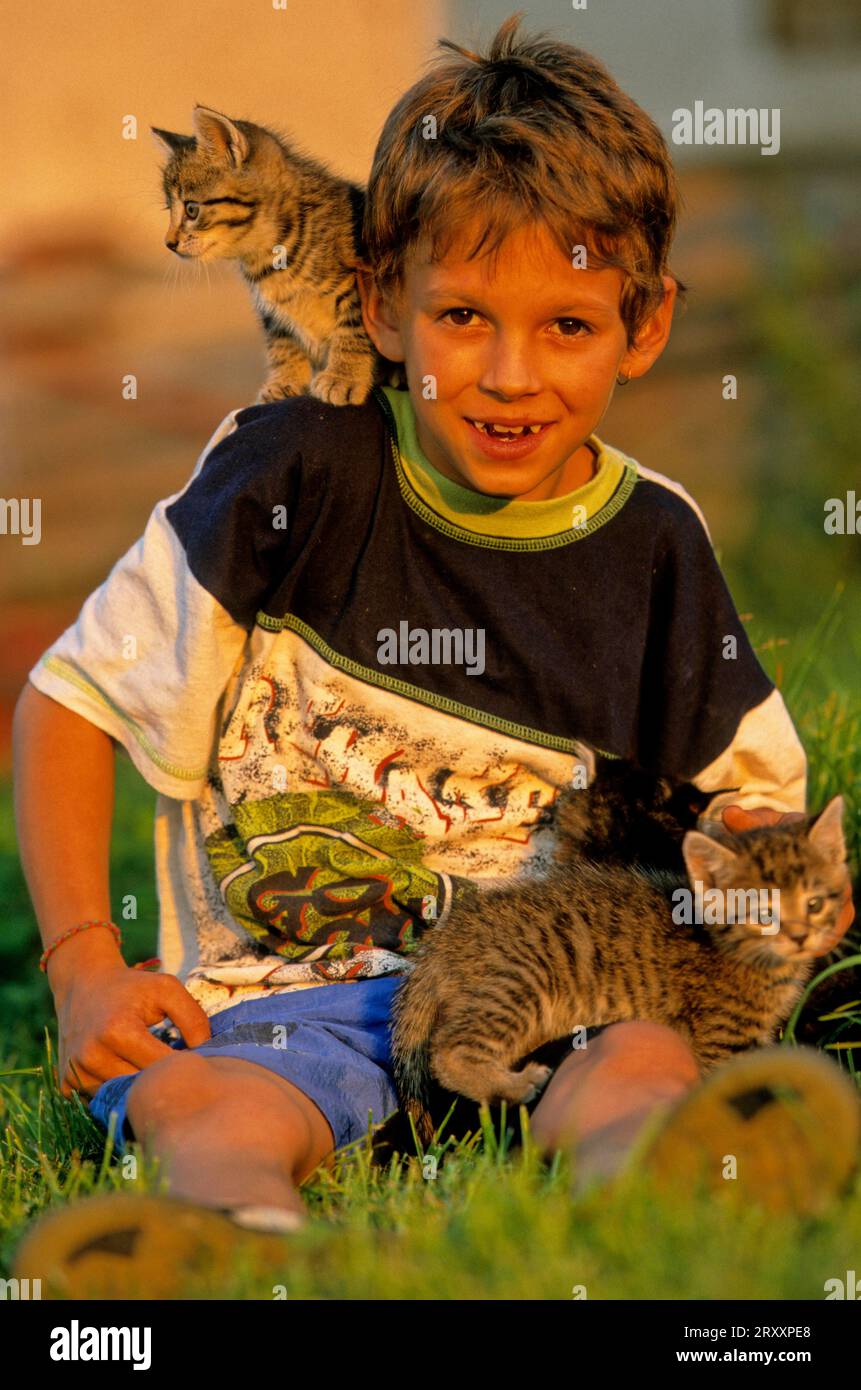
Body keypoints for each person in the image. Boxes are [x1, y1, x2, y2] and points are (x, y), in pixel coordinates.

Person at [12, 13, 857, 1297]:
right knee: (211, 1102)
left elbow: (750, 795)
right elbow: (67, 704)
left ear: (645, 325)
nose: (510, 376)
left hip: (558, 984)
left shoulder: (654, 547)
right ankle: (229, 1237)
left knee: (640, 1062)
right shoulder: (288, 473)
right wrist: (83, 966)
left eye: (567, 326)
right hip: (285, 994)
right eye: (463, 313)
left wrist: (761, 870)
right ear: (378, 305)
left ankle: (666, 1186)